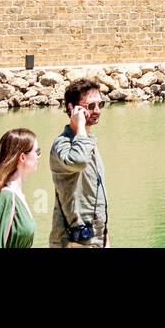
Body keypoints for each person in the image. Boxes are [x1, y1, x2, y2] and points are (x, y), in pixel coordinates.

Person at [50, 78, 110, 248]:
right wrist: (81, 125)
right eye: (90, 106)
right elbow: (78, 161)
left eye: (100, 105)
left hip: (96, 239)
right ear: (72, 108)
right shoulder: (62, 144)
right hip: (72, 241)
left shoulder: (88, 141)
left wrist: (106, 238)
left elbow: (97, 195)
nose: (97, 110)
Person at [0, 128, 40, 248]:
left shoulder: (18, 195)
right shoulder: (5, 197)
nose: (39, 156)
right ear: (22, 157)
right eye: (37, 151)